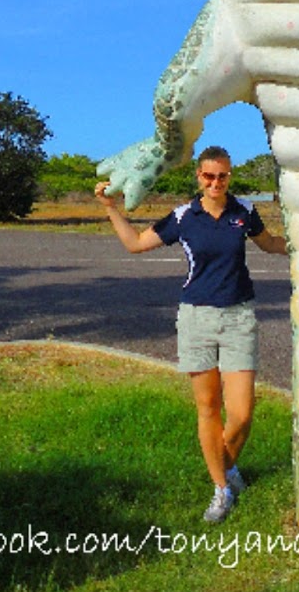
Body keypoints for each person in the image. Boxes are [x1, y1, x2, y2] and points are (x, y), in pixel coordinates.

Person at [96, 146, 289, 522]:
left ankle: (227, 464)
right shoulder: (185, 216)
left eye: (223, 176)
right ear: (199, 177)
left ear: (230, 176)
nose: (216, 182)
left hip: (238, 318)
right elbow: (135, 244)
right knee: (208, 409)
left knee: (243, 413)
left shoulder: (244, 211)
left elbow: (269, 244)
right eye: (209, 176)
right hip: (196, 318)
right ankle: (221, 488)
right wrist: (110, 209)